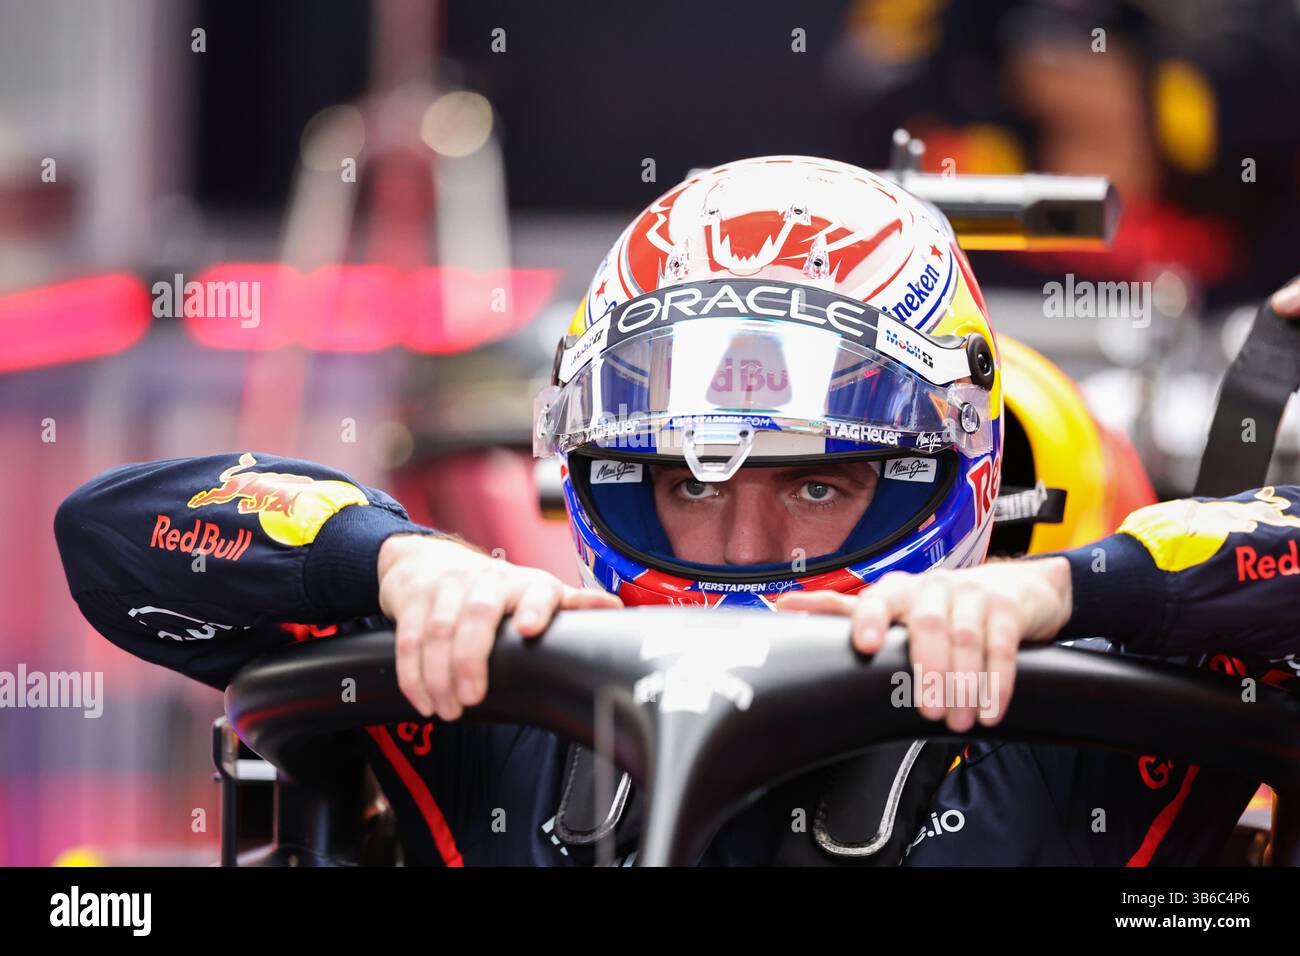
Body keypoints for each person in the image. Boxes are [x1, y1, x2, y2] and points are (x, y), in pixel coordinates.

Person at [53, 157, 1300, 865]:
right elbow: (109, 531)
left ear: (951, 478)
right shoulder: (493, 707)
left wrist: (1067, 591)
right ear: (600, 474)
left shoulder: (1085, 731)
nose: (747, 549)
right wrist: (393, 563)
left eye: (818, 482)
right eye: (690, 483)